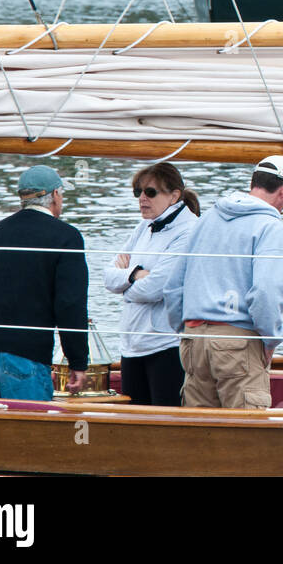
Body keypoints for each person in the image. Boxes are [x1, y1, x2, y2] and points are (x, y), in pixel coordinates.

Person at [163, 155, 283, 409]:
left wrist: (185, 330)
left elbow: (173, 287)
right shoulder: (270, 226)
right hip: (238, 342)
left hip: (193, 341)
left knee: (200, 436)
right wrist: (270, 340)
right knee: (245, 437)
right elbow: (267, 293)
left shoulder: (206, 220)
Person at [0, 165, 88, 401]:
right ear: (55, 195)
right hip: (25, 353)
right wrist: (77, 361)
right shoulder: (67, 236)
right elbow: (69, 304)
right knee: (30, 434)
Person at [102, 163, 199, 406]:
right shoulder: (143, 226)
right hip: (132, 343)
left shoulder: (189, 230)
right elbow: (107, 276)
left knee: (166, 424)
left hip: (166, 344)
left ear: (174, 195)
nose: (142, 199)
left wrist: (124, 280)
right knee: (135, 426)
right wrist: (135, 274)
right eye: (138, 192)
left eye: (151, 192)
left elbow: (157, 288)